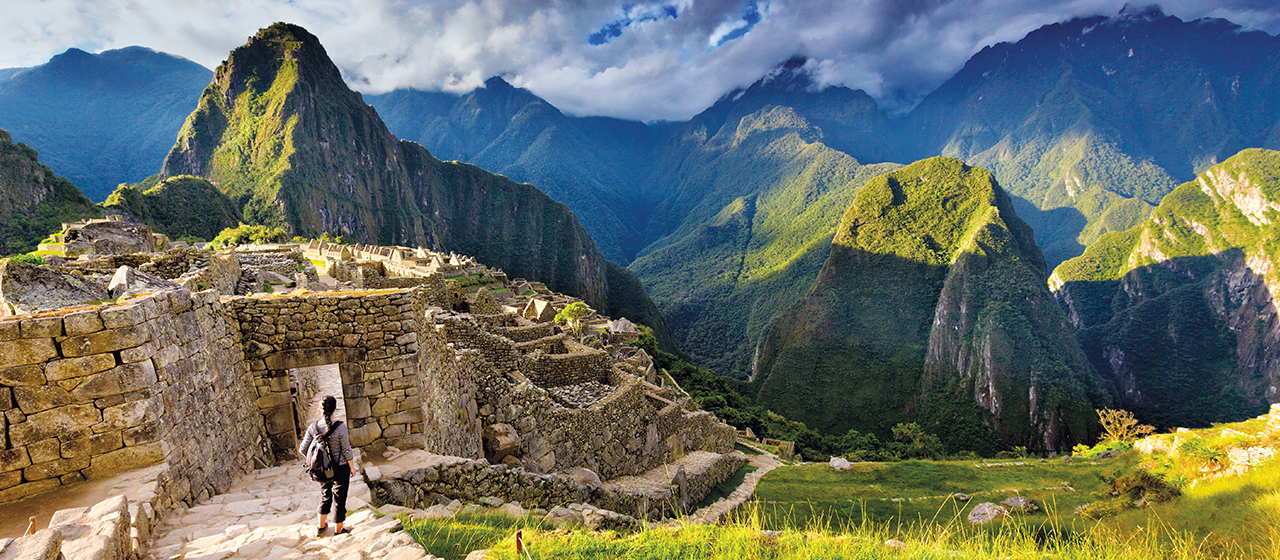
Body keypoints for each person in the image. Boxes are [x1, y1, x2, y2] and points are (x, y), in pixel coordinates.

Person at [298, 395, 354, 536]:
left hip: (321, 470)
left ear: (320, 409)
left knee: (325, 496)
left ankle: (321, 527)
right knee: (339, 499)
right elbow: (346, 450)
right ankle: (338, 530)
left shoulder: (313, 427)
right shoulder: (340, 427)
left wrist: (317, 461)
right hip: (340, 468)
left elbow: (303, 449)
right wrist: (352, 467)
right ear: (335, 408)